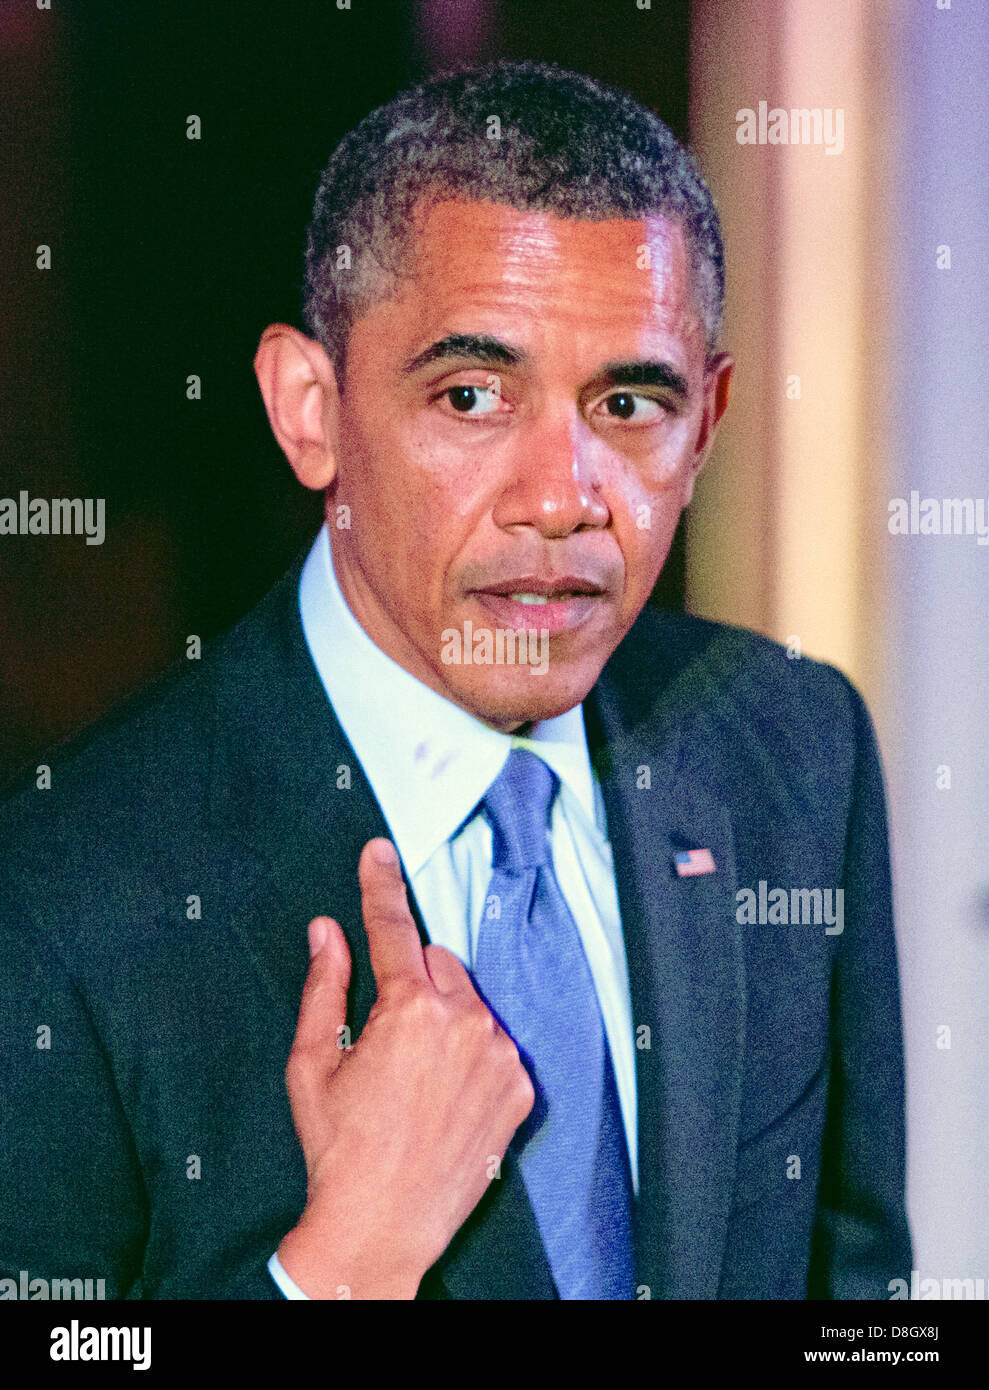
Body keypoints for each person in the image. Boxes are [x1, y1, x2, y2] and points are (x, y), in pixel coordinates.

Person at [0, 60, 911, 1300]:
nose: (560, 499)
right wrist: (341, 1265)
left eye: (629, 402)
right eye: (472, 395)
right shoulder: (62, 894)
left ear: (705, 423)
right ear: (309, 409)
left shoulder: (793, 748)